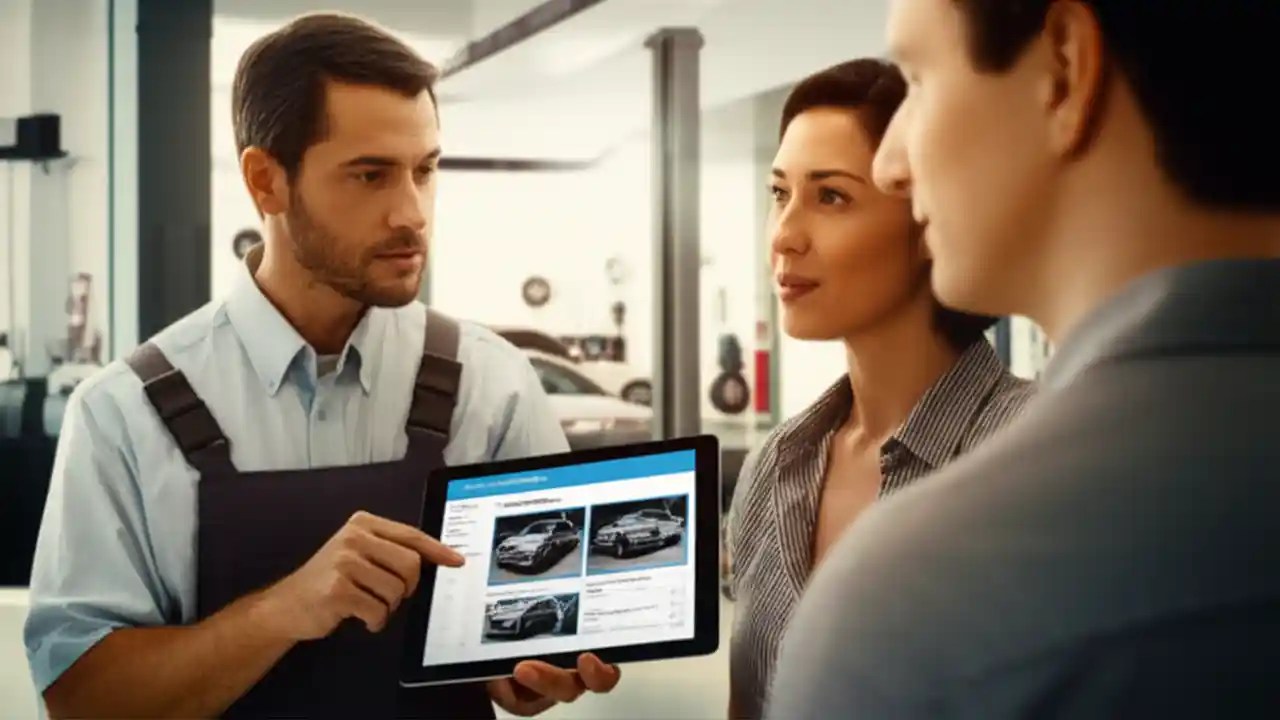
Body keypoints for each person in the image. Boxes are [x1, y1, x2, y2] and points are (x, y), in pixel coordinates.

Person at [24, 13, 618, 719]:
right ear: (265, 182)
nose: (412, 213)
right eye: (370, 175)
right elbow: (81, 703)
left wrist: (527, 675)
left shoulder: (494, 385)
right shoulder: (124, 413)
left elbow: (522, 664)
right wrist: (281, 611)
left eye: (425, 170)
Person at [768, 1, 1280, 718]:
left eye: (919, 79)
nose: (891, 164)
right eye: (779, 193)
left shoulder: (915, 601)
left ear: (1064, 70)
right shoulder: (791, 471)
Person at [726, 58, 1034, 719]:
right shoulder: (775, 466)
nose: (785, 236)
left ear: (929, 218)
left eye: (831, 197)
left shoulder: (1033, 455)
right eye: (779, 193)